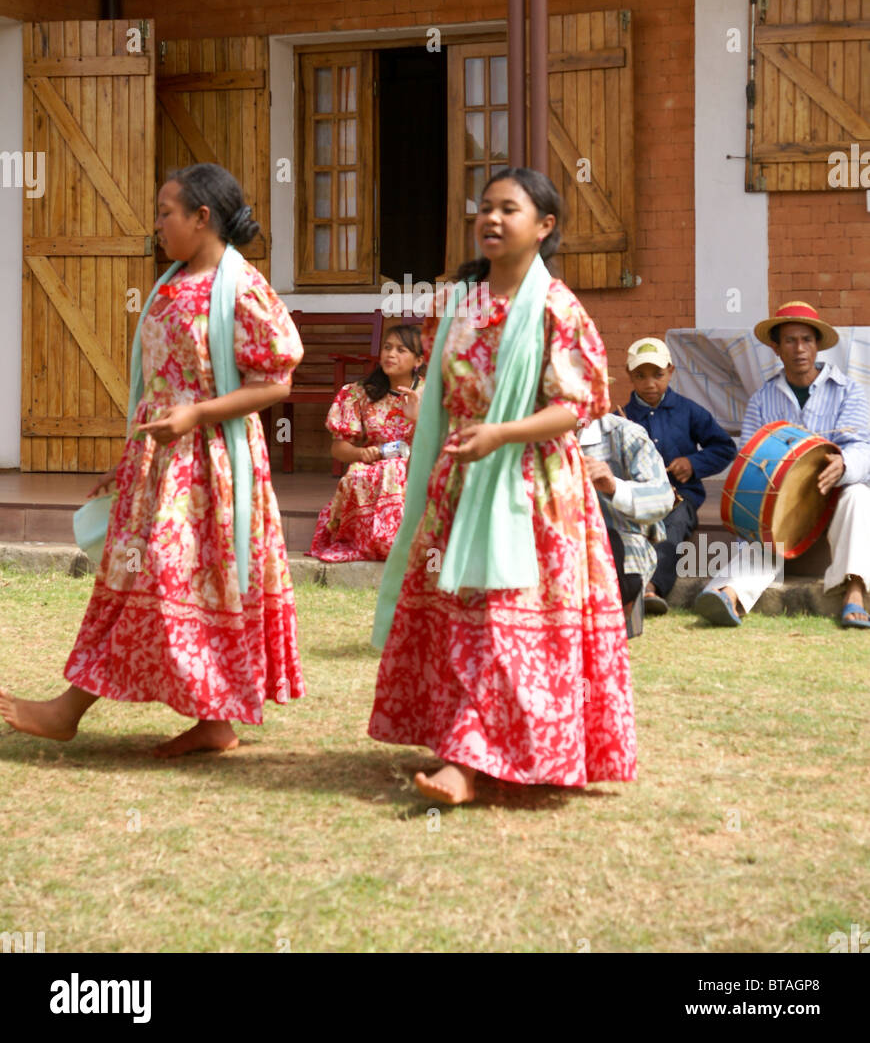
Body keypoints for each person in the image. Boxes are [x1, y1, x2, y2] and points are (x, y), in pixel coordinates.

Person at [0, 162, 305, 754]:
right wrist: (129, 458)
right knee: (156, 579)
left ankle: (70, 710)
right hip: (158, 464)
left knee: (160, 578)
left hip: (211, 465)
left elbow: (276, 383)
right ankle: (214, 722)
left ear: (202, 217)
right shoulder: (170, 282)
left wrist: (195, 415)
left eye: (168, 212)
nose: (158, 223)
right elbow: (157, 383)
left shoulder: (241, 288)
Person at [368, 167, 637, 806]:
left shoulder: (555, 307)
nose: (490, 218)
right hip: (460, 483)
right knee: (464, 616)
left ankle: (473, 760)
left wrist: (501, 433)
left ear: (544, 227)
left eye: (507, 209)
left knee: (505, 617)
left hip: (532, 487)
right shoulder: (459, 305)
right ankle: (467, 744)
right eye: (484, 207)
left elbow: (578, 405)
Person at [694, 300, 870, 630]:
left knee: (859, 495)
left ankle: (855, 593)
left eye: (807, 339)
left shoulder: (848, 392)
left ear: (818, 345)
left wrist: (844, 464)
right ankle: (728, 595)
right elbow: (748, 458)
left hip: (834, 499)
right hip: (787, 509)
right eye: (790, 340)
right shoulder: (763, 398)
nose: (799, 348)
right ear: (776, 348)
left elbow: (863, 448)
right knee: (764, 527)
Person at [623, 337, 736, 615]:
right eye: (641, 376)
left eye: (658, 375)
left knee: (673, 527)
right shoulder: (622, 419)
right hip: (638, 497)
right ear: (629, 376)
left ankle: (652, 589)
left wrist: (694, 463)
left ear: (671, 371)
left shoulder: (688, 411)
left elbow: (724, 447)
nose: (650, 383)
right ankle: (619, 589)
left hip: (680, 497)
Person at [307, 324, 424, 562]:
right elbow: (338, 449)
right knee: (362, 475)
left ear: (418, 360)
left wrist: (419, 419)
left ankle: (400, 542)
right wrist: (361, 453)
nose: (390, 354)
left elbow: (445, 440)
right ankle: (374, 542)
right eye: (387, 347)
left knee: (398, 471)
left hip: (418, 464)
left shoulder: (430, 393)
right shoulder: (358, 393)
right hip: (371, 465)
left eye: (401, 350)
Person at [578, 410, 675, 631]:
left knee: (611, 544)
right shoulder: (536, 438)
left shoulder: (626, 434)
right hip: (562, 548)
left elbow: (662, 496)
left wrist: (614, 487)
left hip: (621, 549)